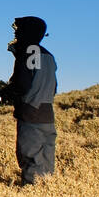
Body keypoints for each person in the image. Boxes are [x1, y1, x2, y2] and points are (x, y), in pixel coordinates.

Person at [4, 16, 58, 185]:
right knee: (46, 161)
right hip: (47, 114)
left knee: (30, 157)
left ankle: (30, 196)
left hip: (30, 113)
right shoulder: (48, 56)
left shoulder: (29, 50)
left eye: (18, 30)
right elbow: (54, 87)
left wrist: (7, 93)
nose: (16, 33)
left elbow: (23, 83)